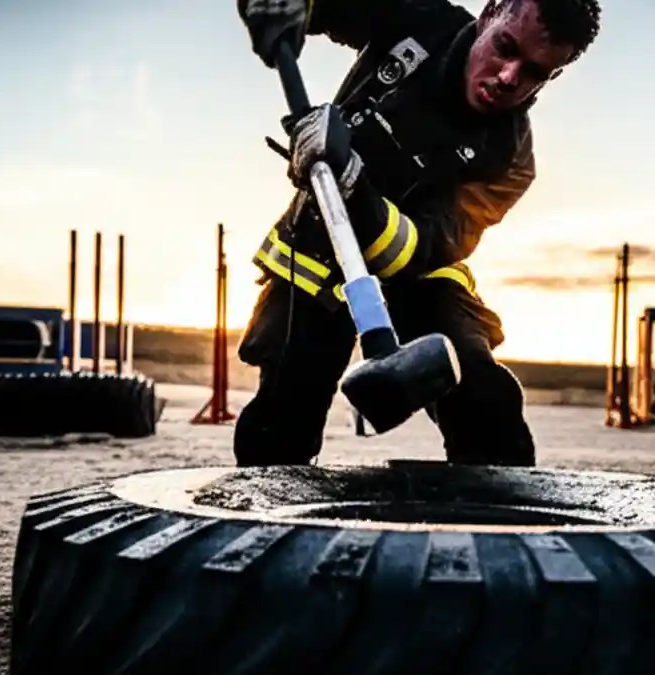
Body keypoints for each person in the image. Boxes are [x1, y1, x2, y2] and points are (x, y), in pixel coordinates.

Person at [232, 0, 602, 467]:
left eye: (534, 72)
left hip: (420, 277)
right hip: (316, 254)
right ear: (490, 14)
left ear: (555, 74)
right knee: (280, 423)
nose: (509, 77)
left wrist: (355, 185)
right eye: (505, 47)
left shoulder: (510, 162)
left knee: (486, 407)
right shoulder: (419, 19)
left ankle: (496, 505)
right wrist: (292, 6)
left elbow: (419, 247)